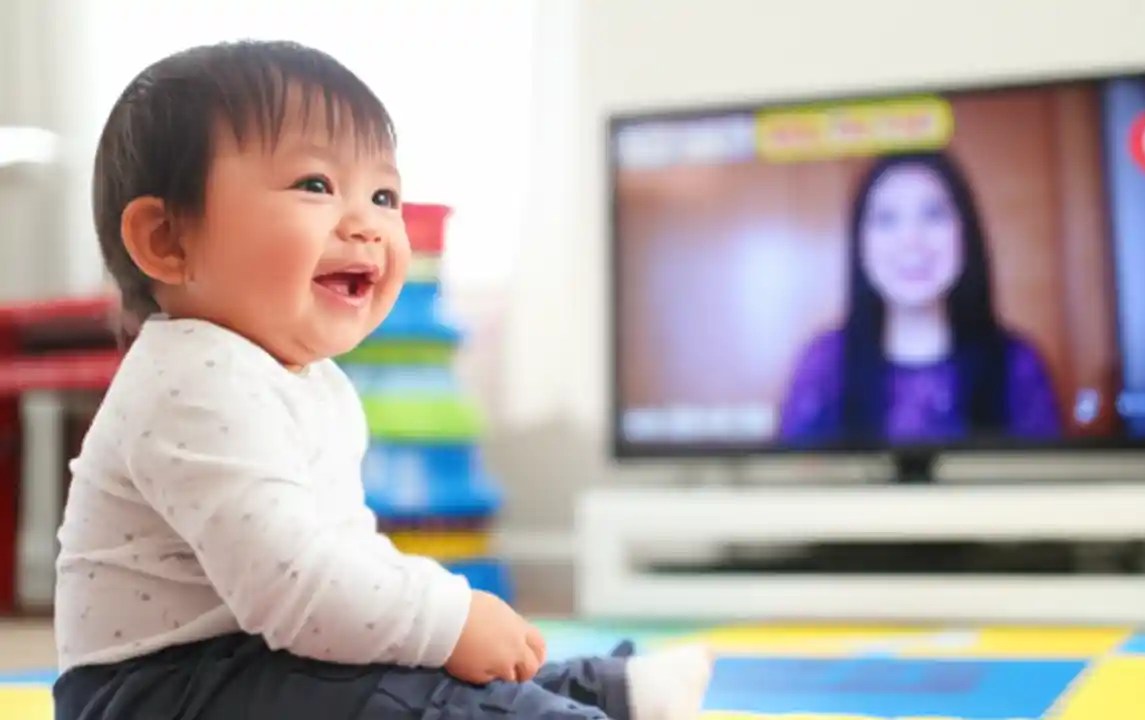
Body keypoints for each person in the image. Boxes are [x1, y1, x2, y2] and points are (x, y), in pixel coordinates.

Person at [52, 41, 711, 720]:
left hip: (260, 657)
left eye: (384, 194)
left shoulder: (312, 383)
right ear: (168, 239)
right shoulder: (192, 382)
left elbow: (344, 565)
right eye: (315, 185)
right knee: (402, 689)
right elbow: (299, 587)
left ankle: (598, 691)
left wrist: (441, 625)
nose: (367, 223)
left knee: (402, 659)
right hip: (162, 693)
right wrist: (451, 618)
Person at [778, 151, 1061, 445]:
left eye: (933, 214)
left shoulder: (1018, 365)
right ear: (860, 244)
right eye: (887, 219)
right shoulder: (825, 365)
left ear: (965, 233)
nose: (911, 241)